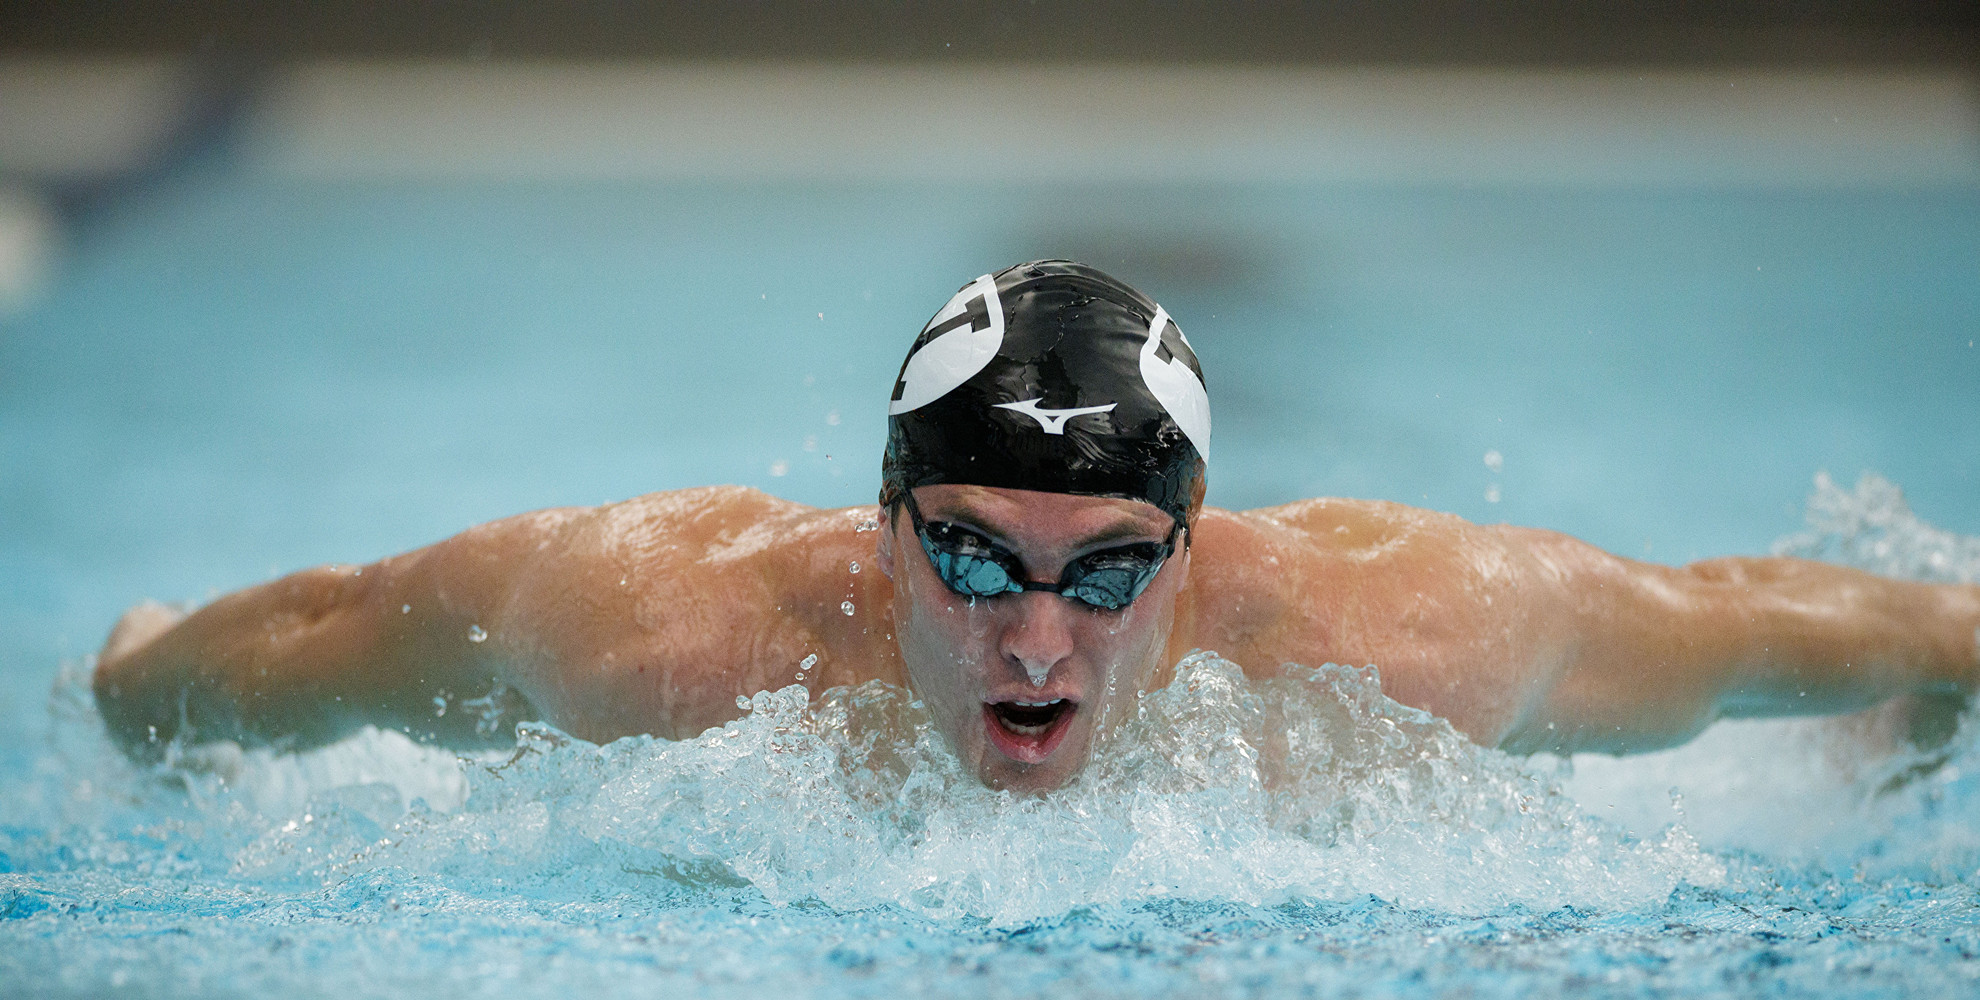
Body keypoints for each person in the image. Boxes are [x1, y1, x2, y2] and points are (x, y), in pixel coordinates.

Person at [93, 260, 1980, 793]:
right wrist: (139, 692)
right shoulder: (663, 630)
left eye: (1106, 575)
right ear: (883, 524)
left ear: (1197, 551)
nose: (1034, 644)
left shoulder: (1413, 639)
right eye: (975, 557)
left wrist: (1945, 675)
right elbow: (312, 640)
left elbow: (1742, 620)